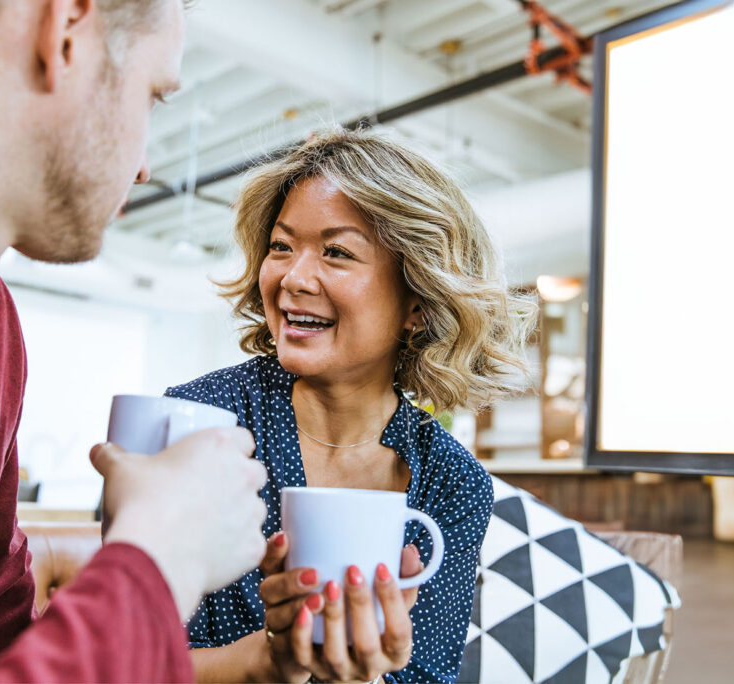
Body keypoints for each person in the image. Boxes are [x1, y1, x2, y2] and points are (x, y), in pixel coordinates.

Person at [0, 1, 268, 681]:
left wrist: (257, 662)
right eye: (154, 96)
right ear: (66, 31)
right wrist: (161, 557)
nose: (144, 166)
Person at [166, 129, 536, 683]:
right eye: (282, 246)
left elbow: (425, 676)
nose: (293, 276)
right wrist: (268, 663)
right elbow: (124, 657)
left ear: (418, 301)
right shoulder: (198, 419)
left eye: (337, 253)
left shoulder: (452, 484)